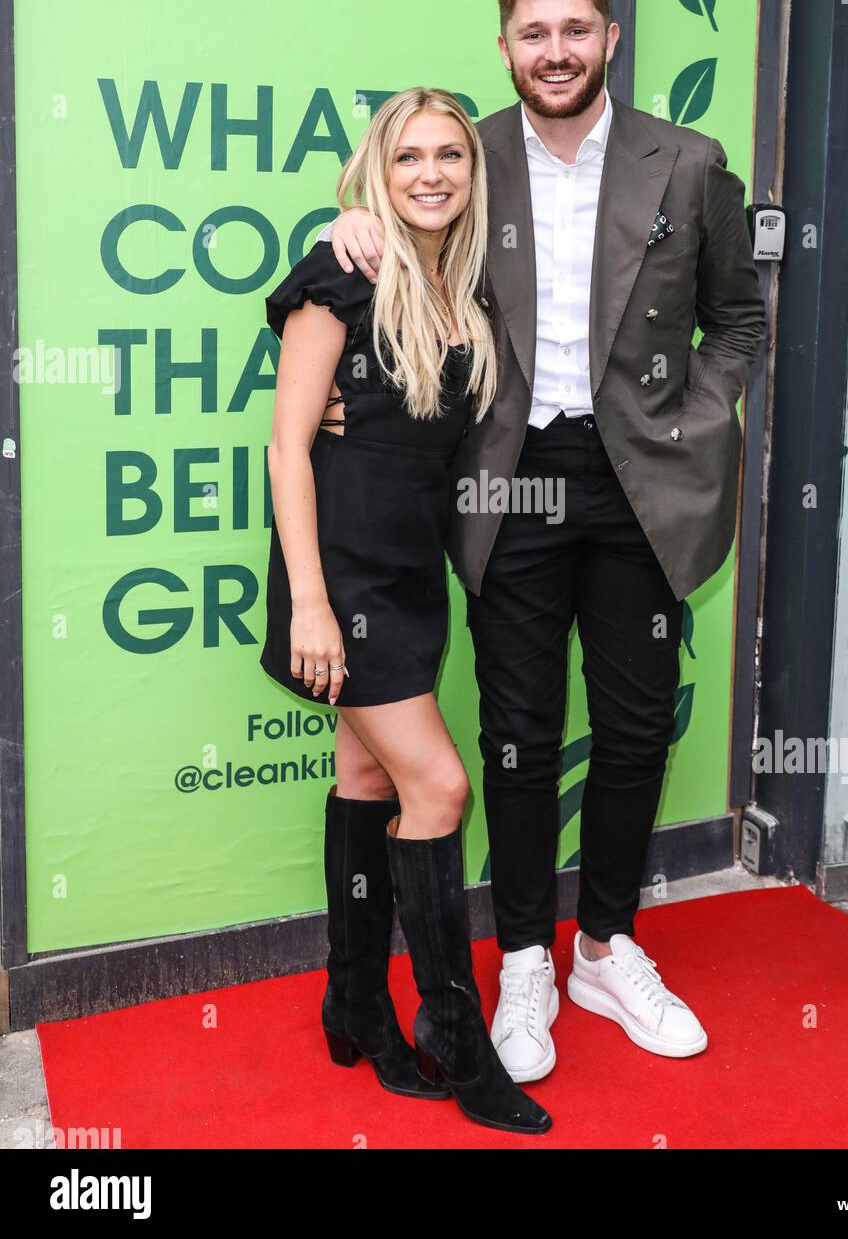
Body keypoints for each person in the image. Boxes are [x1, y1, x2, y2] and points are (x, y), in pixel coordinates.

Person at [326, 0, 769, 1085]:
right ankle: (523, 953)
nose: (555, 50)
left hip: (643, 480)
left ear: (609, 39)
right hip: (506, 477)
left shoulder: (688, 160)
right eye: (533, 33)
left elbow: (738, 318)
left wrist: (700, 414)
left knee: (631, 730)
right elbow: (395, 204)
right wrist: (344, 228)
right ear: (505, 46)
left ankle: (605, 948)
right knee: (516, 738)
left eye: (575, 29)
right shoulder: (468, 158)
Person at [259, 86, 551, 1135]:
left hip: (409, 573)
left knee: (366, 771)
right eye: (408, 157)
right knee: (439, 786)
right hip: (342, 578)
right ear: (376, 170)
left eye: (451, 157)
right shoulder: (343, 269)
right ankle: (457, 1041)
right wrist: (309, 605)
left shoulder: (453, 283)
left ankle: (351, 1004)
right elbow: (287, 444)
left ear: (472, 175)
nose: (430, 173)